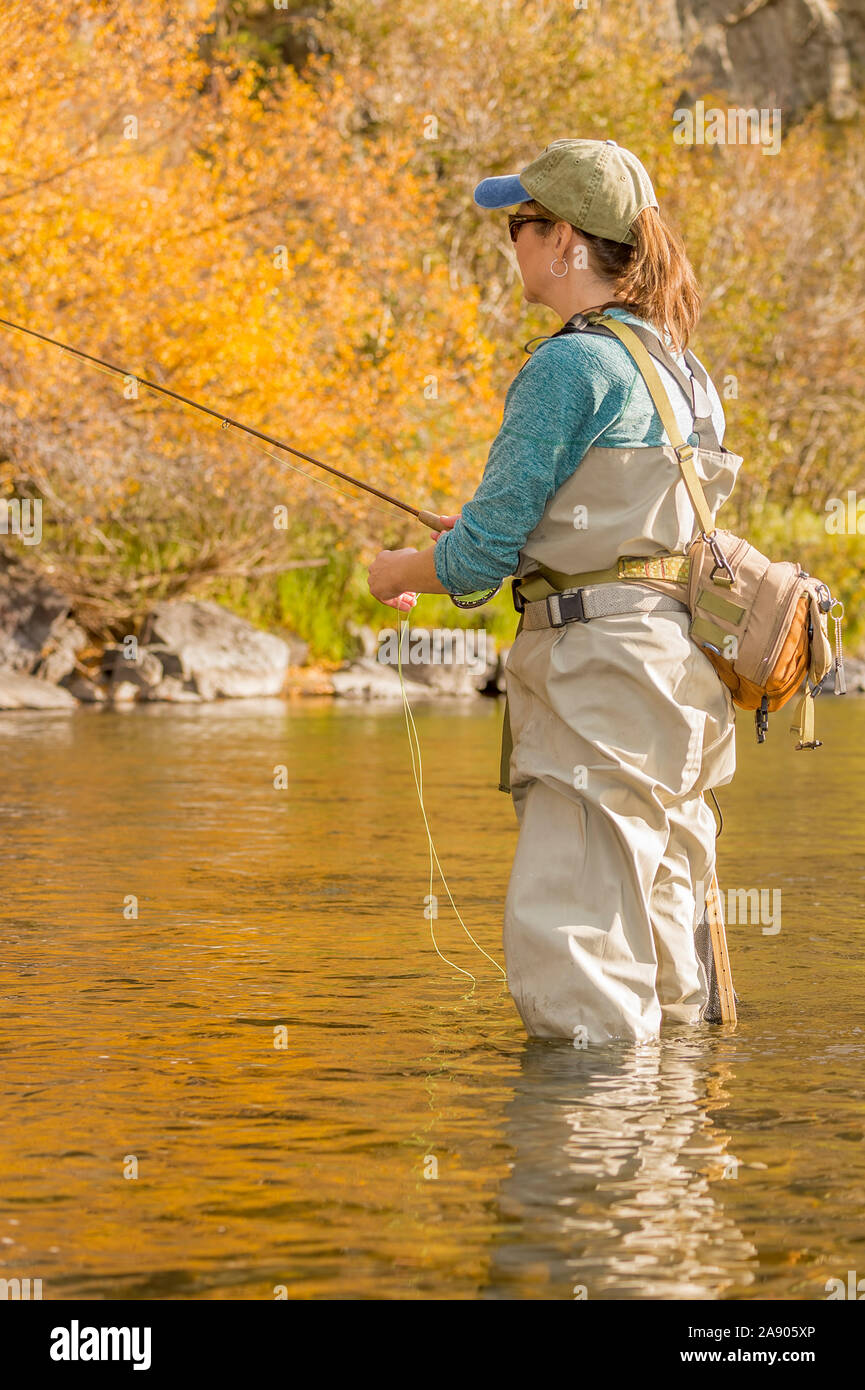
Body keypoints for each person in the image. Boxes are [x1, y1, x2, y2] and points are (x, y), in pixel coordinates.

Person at [367, 138, 741, 1044]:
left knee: (580, 964)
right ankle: (670, 1164)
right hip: (681, 682)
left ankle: (590, 1175)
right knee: (665, 961)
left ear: (565, 240)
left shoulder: (567, 367)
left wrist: (400, 572)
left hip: (598, 686)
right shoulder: (683, 371)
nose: (513, 242)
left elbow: (478, 560)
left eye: (519, 225)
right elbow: (624, 529)